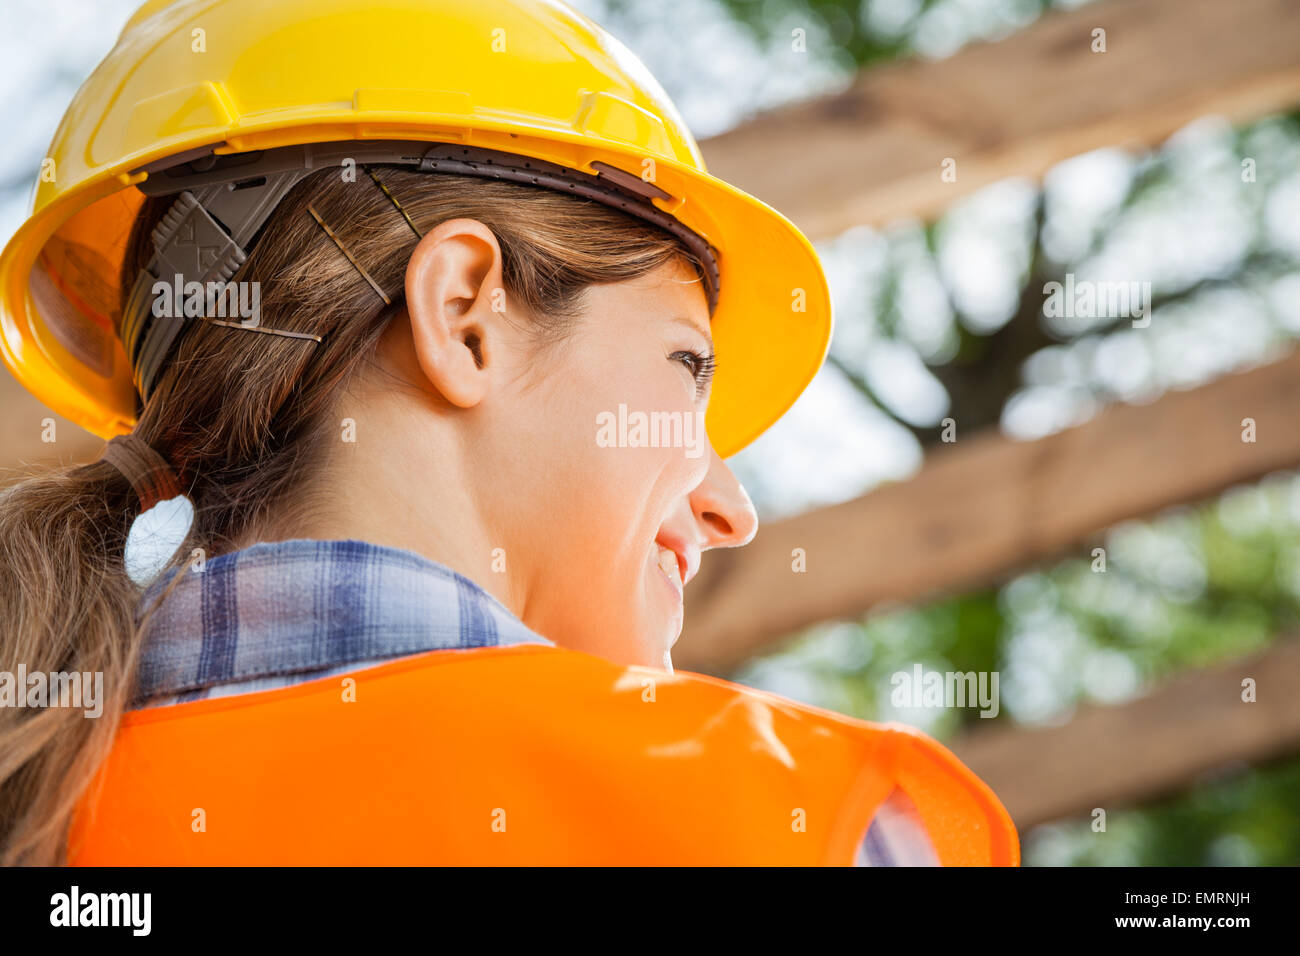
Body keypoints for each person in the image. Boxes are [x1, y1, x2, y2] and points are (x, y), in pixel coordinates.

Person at [0, 0, 1018, 866]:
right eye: (685, 366)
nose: (732, 509)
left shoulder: (38, 802)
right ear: (464, 313)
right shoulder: (791, 820)